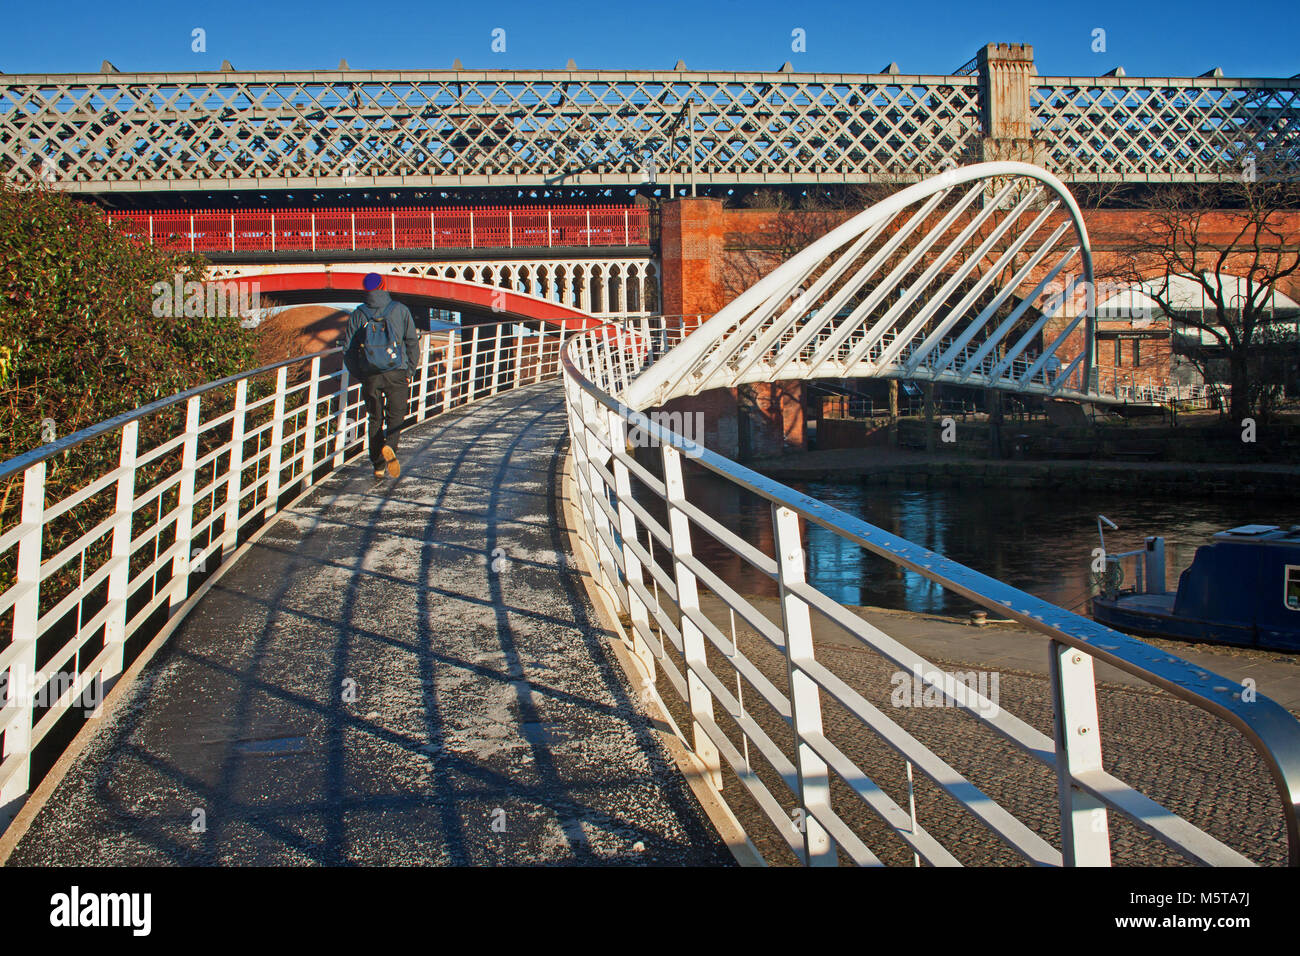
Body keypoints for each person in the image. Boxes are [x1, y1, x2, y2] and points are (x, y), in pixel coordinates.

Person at [343, 273, 419, 479]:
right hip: (397, 371)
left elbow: (348, 351)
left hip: (370, 375)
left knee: (375, 418)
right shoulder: (400, 310)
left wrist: (361, 374)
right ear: (384, 286)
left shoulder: (358, 314)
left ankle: (377, 465)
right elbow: (412, 342)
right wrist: (410, 370)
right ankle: (390, 446)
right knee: (396, 415)